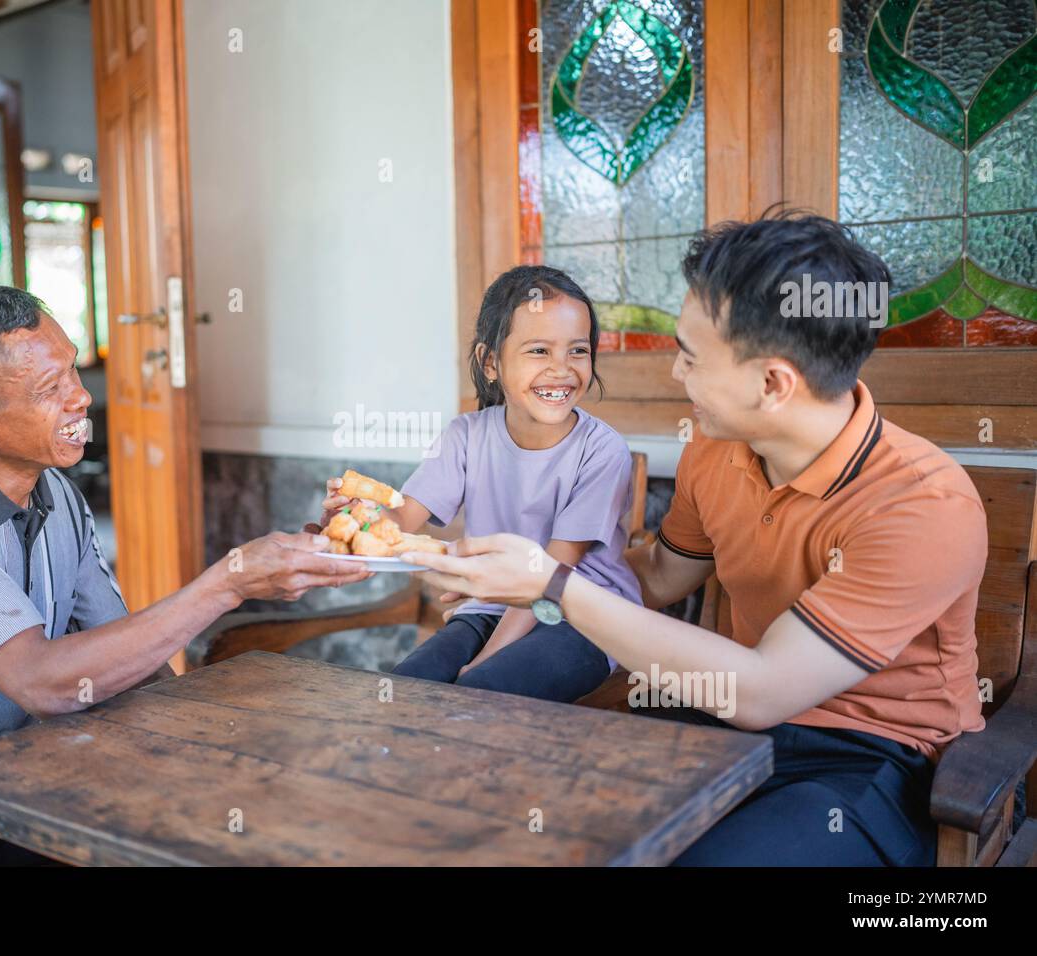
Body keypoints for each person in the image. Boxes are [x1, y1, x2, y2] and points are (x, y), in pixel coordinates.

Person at [400, 213, 987, 866]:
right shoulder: (718, 445)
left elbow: (761, 691)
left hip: (872, 759)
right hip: (719, 728)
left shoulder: (923, 503)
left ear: (772, 384)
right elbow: (656, 576)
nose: (676, 373)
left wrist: (552, 585)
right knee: (518, 818)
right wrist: (499, 583)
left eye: (691, 356)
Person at [0, 286, 371, 866]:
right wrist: (228, 583)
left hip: (7, 793)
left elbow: (126, 667)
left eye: (71, 371)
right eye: (50, 389)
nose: (81, 398)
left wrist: (217, 753)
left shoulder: (57, 496)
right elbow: (45, 681)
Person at [320, 265, 641, 703]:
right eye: (539, 351)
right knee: (405, 691)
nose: (561, 369)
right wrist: (355, 516)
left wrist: (483, 662)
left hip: (581, 617)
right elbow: (400, 519)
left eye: (578, 351)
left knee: (481, 694)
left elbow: (548, 578)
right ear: (491, 362)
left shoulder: (602, 452)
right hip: (489, 604)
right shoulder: (466, 436)